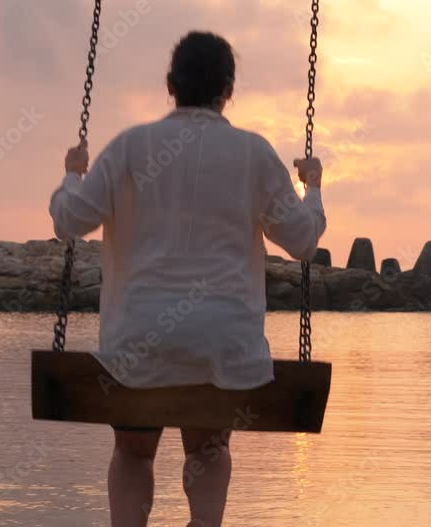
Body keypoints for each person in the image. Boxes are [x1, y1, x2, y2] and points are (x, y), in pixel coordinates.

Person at [49, 31, 326, 527]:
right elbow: (304, 241)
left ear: (170, 85)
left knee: (133, 451)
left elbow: (69, 220)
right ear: (228, 90)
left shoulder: (130, 146)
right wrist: (313, 188)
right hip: (224, 346)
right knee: (208, 448)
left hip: (136, 343)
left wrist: (73, 174)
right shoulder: (253, 153)